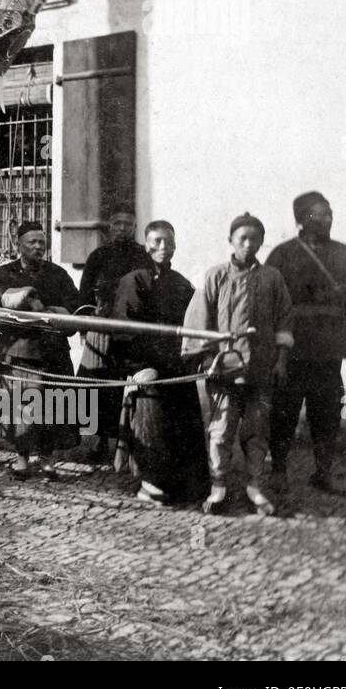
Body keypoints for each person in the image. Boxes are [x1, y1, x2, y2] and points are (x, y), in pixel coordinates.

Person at [182, 212, 293, 516]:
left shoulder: (273, 278)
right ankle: (218, 486)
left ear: (260, 242)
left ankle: (255, 485)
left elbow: (284, 320)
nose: (248, 243)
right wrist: (206, 358)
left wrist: (281, 360)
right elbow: (198, 323)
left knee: (258, 431)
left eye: (254, 238)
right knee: (220, 430)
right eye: (242, 237)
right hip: (224, 369)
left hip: (261, 367)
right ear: (230, 240)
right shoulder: (215, 276)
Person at [266, 191, 346, 496]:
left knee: (327, 409)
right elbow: (267, 298)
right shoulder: (283, 254)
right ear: (301, 219)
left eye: (329, 212)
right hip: (292, 346)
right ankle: (278, 470)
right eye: (320, 213)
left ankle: (323, 472)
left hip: (330, 347)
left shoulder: (344, 253)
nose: (328, 218)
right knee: (284, 408)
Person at [110, 221, 209, 505]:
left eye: (169, 242)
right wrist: (137, 366)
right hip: (147, 365)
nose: (164, 248)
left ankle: (184, 484)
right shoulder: (133, 281)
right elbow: (123, 328)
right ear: (146, 244)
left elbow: (195, 321)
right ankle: (150, 483)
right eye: (157, 241)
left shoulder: (180, 283)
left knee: (185, 421)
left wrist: (194, 357)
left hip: (175, 365)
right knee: (154, 422)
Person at [0, 220, 80, 481]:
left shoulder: (58, 274)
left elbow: (76, 306)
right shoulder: (5, 274)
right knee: (20, 409)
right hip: (20, 351)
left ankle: (47, 461)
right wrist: (15, 295)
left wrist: (60, 313)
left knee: (55, 406)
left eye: (41, 242)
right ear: (19, 245)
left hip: (53, 351)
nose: (38, 247)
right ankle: (22, 460)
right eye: (32, 243)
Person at [76, 208, 151, 463]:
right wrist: (84, 328)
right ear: (109, 226)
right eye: (117, 223)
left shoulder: (143, 256)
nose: (122, 228)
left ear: (135, 227)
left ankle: (127, 442)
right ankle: (98, 441)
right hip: (101, 327)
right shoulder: (97, 256)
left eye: (127, 224)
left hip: (130, 331)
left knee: (126, 385)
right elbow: (84, 294)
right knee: (96, 383)